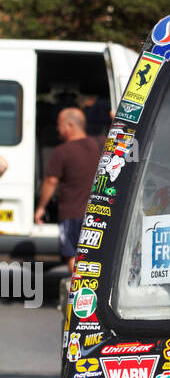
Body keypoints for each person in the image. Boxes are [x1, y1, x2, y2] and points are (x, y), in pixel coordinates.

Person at [35, 107, 102, 271]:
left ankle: (79, 290)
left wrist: (41, 208)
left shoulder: (62, 151)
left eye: (59, 124)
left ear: (70, 125)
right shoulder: (101, 144)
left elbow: (51, 181)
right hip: (98, 213)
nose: (57, 128)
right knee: (94, 255)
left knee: (73, 255)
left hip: (72, 214)